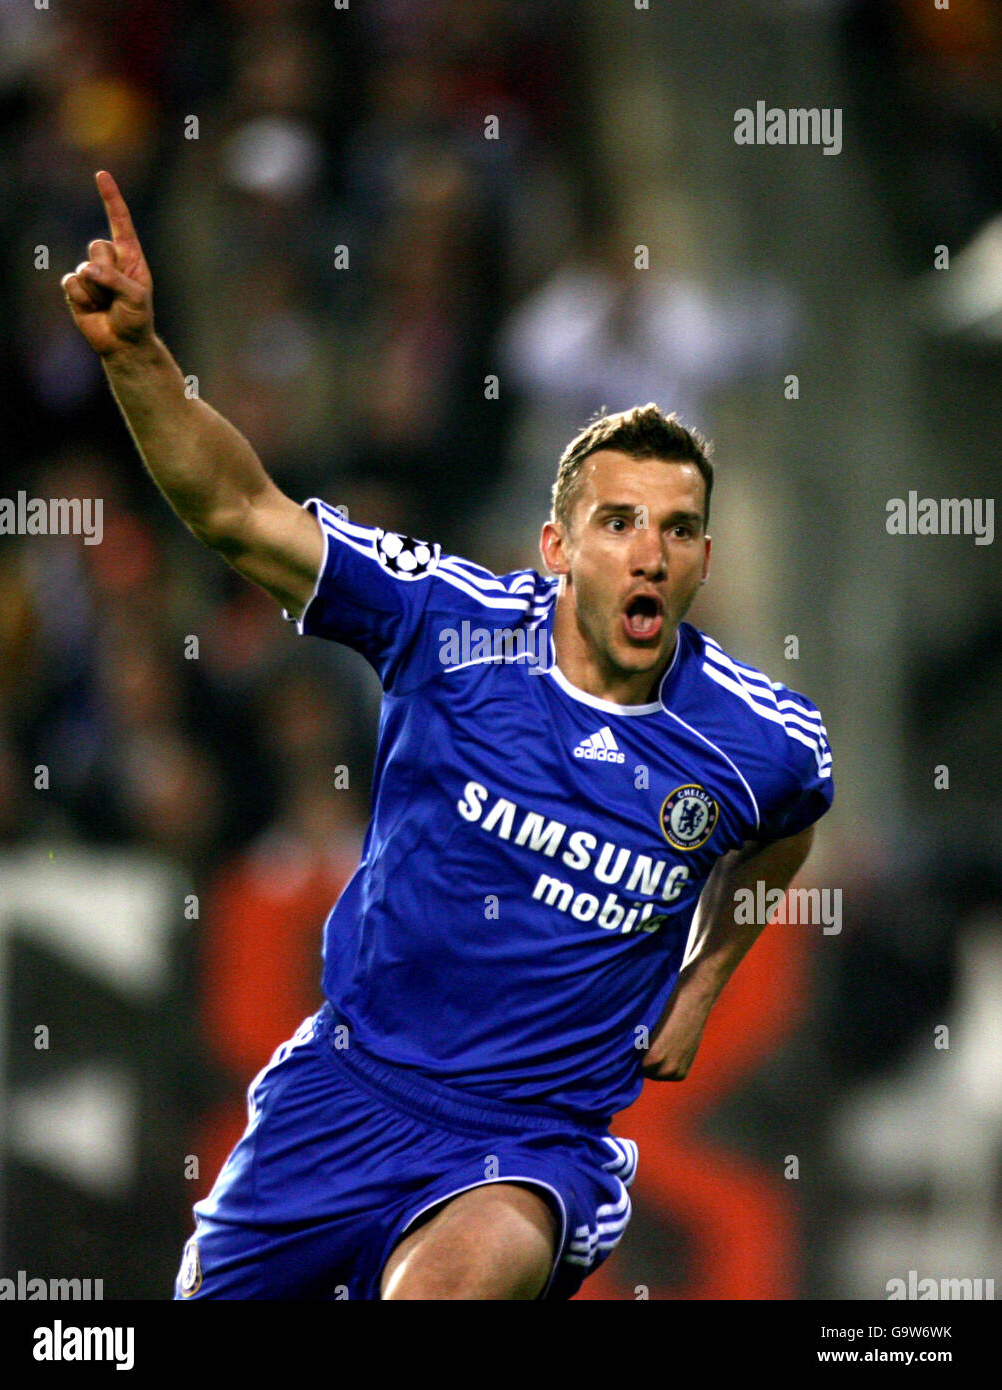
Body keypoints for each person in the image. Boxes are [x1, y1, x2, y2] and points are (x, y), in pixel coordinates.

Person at [61, 171, 833, 1301]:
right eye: (616, 523)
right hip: (343, 1091)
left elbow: (789, 824)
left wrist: (705, 975)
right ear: (557, 545)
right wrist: (136, 357)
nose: (649, 552)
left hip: (523, 1148)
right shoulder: (448, 622)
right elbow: (238, 511)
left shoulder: (758, 742)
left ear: (704, 559)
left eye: (678, 529)